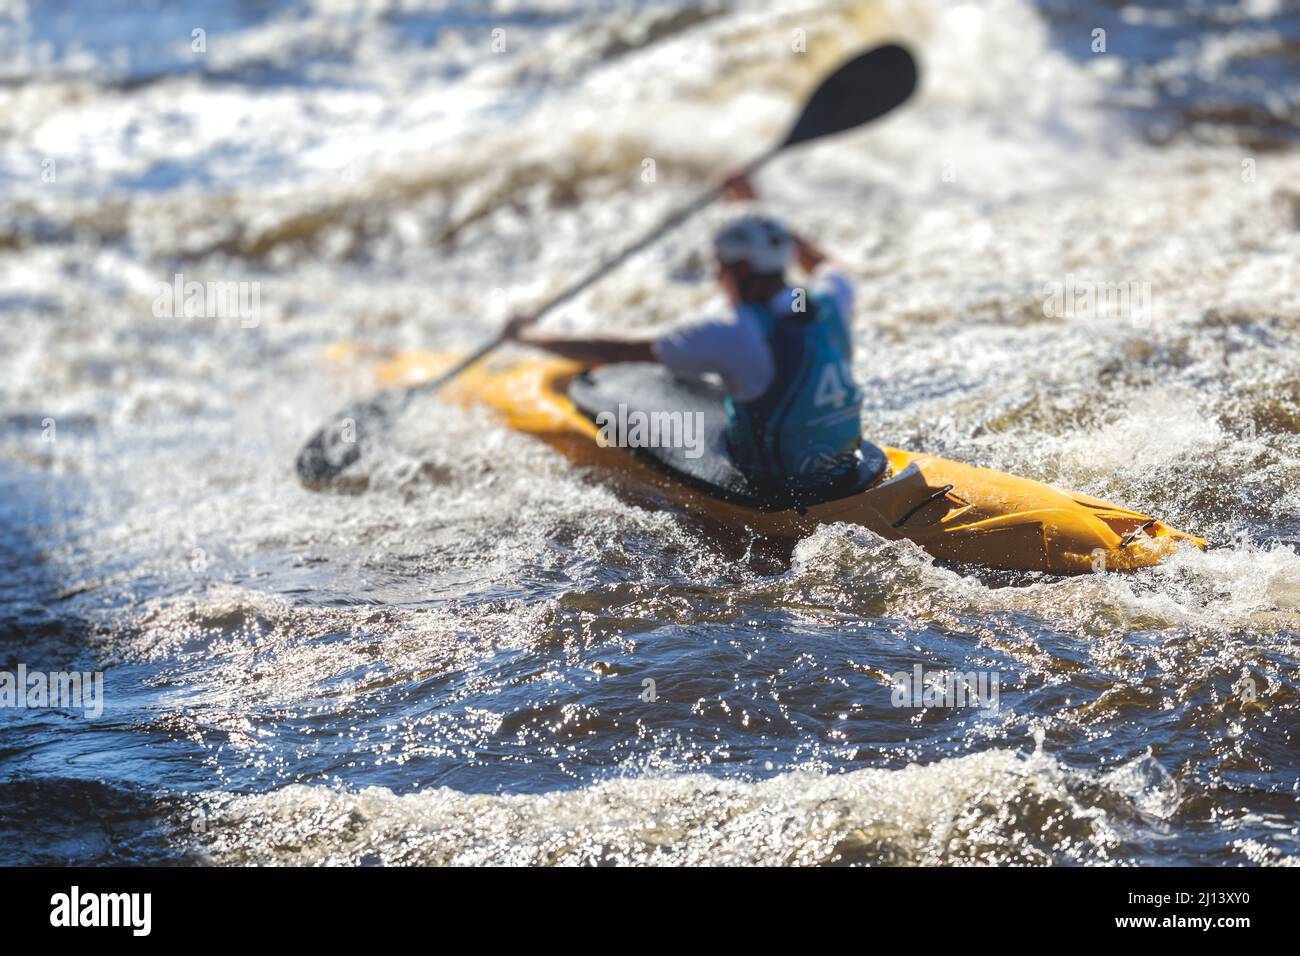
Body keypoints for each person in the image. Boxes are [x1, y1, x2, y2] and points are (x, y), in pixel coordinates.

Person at [503, 172, 863, 493]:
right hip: (845, 468)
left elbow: (615, 351)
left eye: (720, 268)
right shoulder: (830, 296)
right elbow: (823, 262)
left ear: (739, 269)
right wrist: (757, 214)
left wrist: (530, 336)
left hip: (782, 487)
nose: (718, 278)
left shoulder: (736, 332)